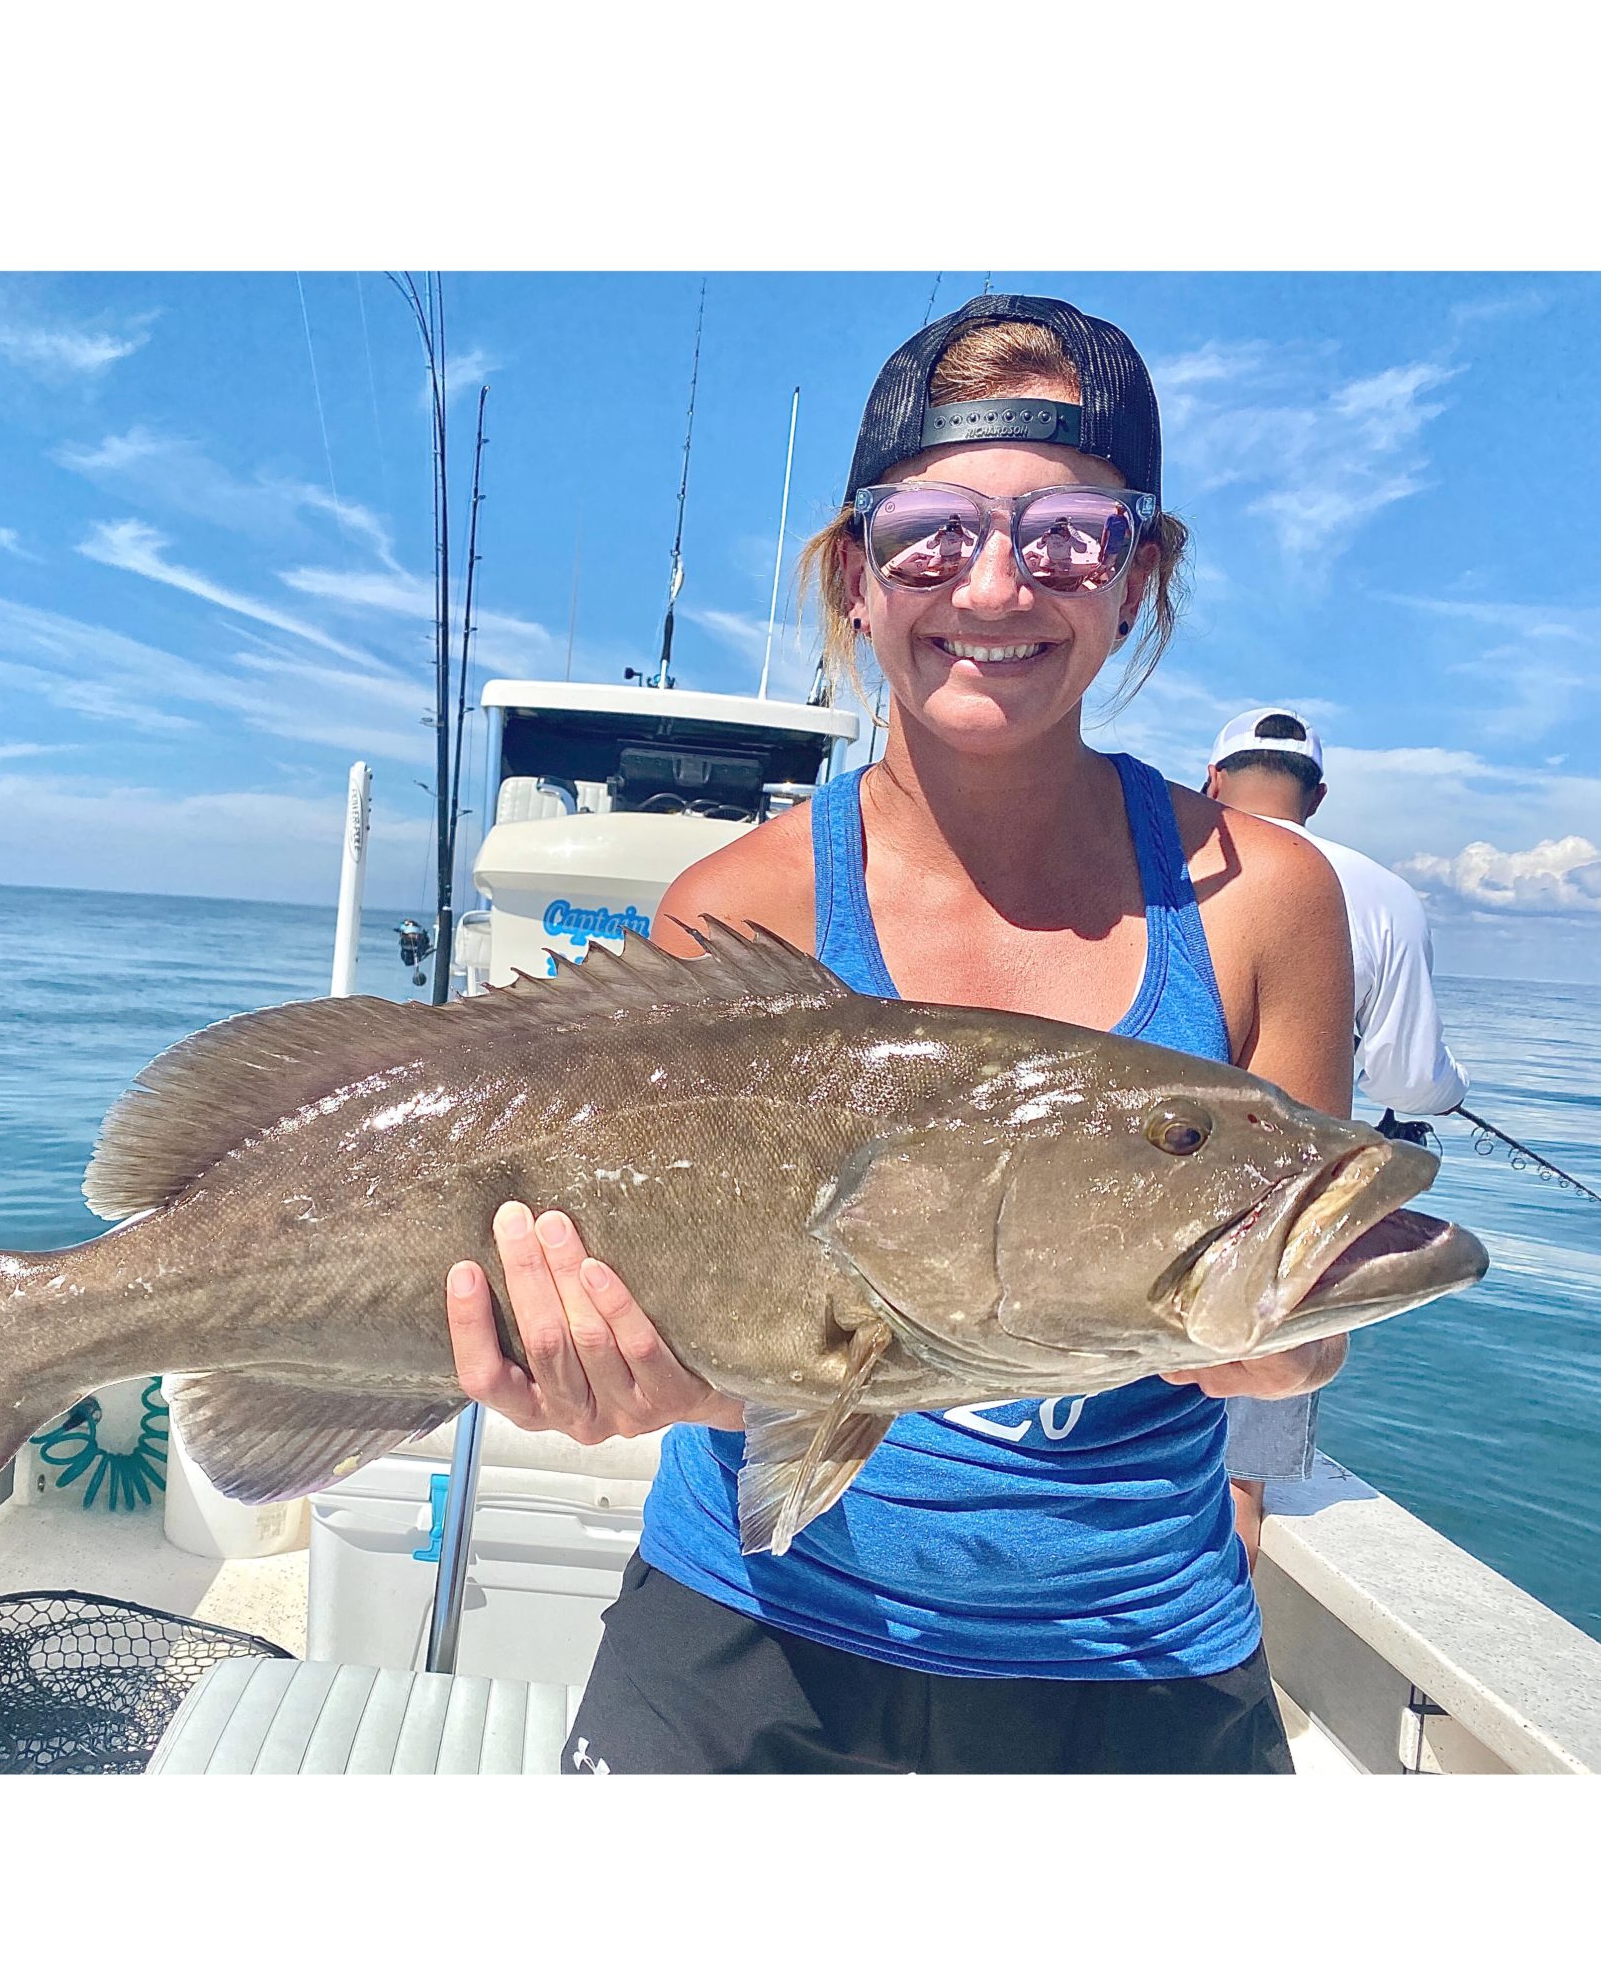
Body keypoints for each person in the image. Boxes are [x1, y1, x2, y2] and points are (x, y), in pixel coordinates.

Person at [442, 292, 1355, 1774]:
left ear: (1141, 576)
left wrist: (1277, 1353)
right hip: (743, 1637)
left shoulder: (1267, 904)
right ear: (853, 576)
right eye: (930, 532)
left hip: (1134, 1654)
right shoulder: (734, 906)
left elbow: (1299, 1316)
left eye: (1067, 531)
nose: (994, 587)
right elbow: (733, 1359)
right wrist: (625, 1377)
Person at [1205, 706, 1470, 1557]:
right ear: (1316, 796)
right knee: (1234, 1491)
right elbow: (1408, 1082)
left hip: (1127, 1206)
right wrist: (1452, 1089)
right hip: (1275, 1231)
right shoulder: (1381, 894)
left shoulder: (1155, 864)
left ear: (1211, 779)